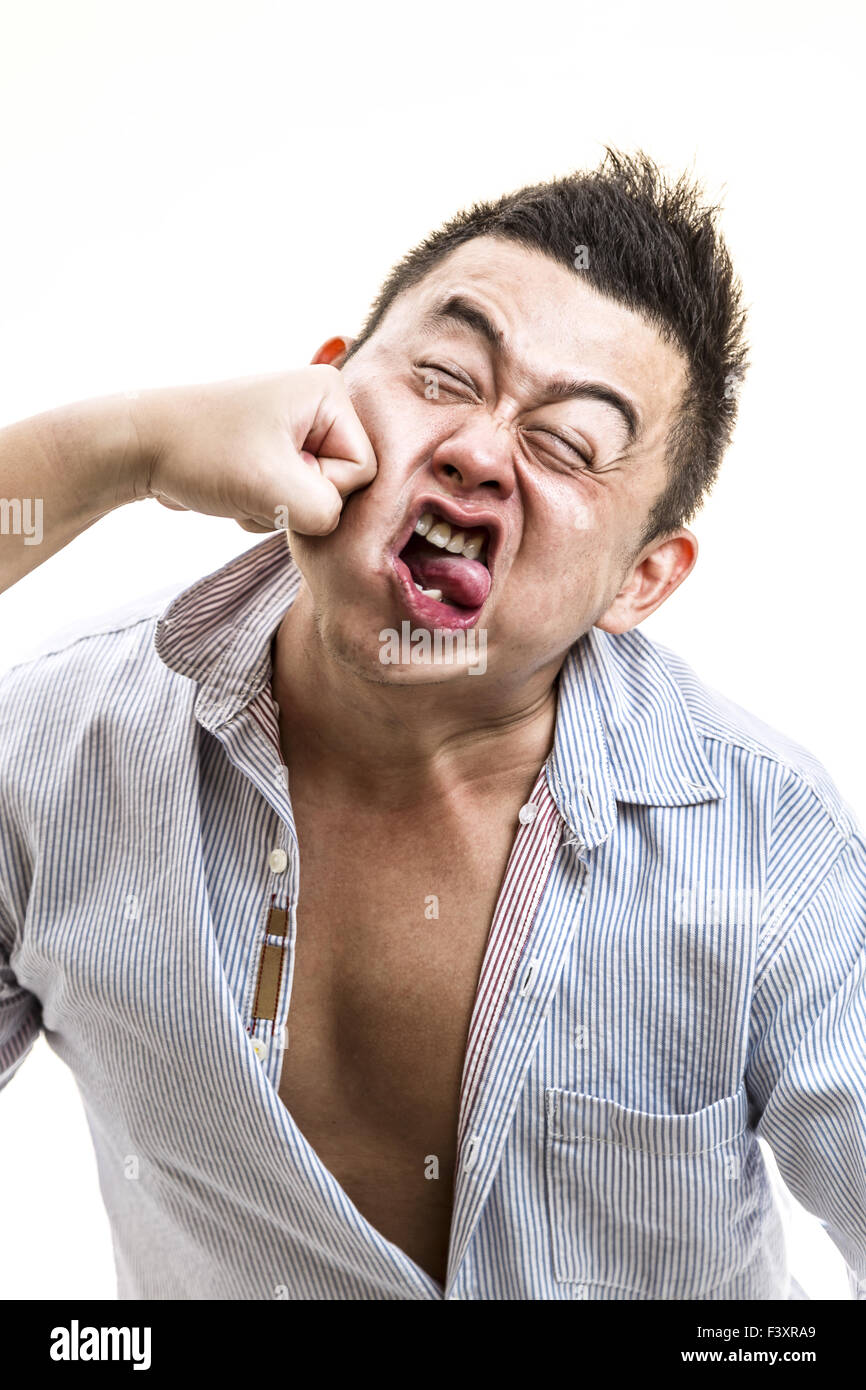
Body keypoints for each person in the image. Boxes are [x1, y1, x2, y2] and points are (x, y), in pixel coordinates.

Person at [0, 149, 863, 1301]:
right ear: (318, 399)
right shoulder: (56, 749)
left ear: (639, 582)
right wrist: (123, 451)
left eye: (566, 444)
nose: (476, 451)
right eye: (446, 375)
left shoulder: (770, 847)